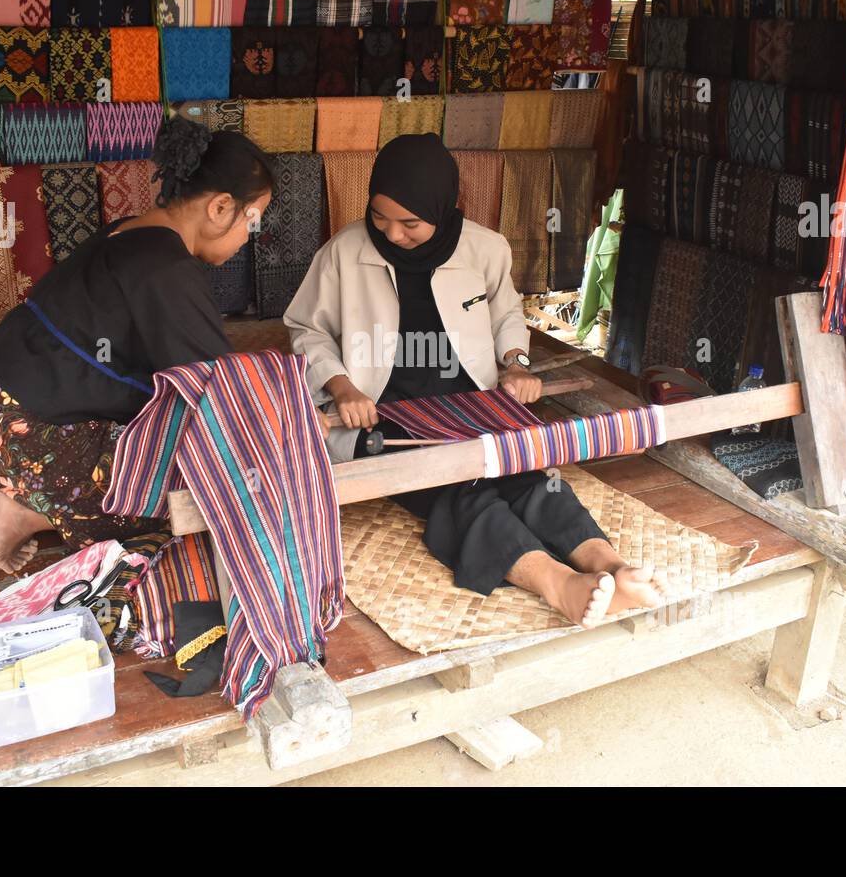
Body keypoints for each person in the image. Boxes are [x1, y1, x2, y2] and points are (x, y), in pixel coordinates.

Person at [284, 134, 667, 627]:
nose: (392, 234)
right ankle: (560, 584)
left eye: (410, 223)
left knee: (530, 476)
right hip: (386, 419)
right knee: (459, 490)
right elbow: (307, 329)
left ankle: (610, 566)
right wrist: (341, 386)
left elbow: (507, 313)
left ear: (446, 208)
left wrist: (515, 363)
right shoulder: (342, 252)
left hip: (471, 408)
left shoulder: (485, 248)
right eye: (379, 218)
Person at [0, 120, 274, 573]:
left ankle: (27, 494)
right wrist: (291, 421)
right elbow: (219, 390)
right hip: (32, 436)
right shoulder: (164, 267)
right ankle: (30, 512)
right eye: (252, 220)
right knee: (199, 495)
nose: (250, 234)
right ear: (221, 206)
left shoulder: (130, 232)